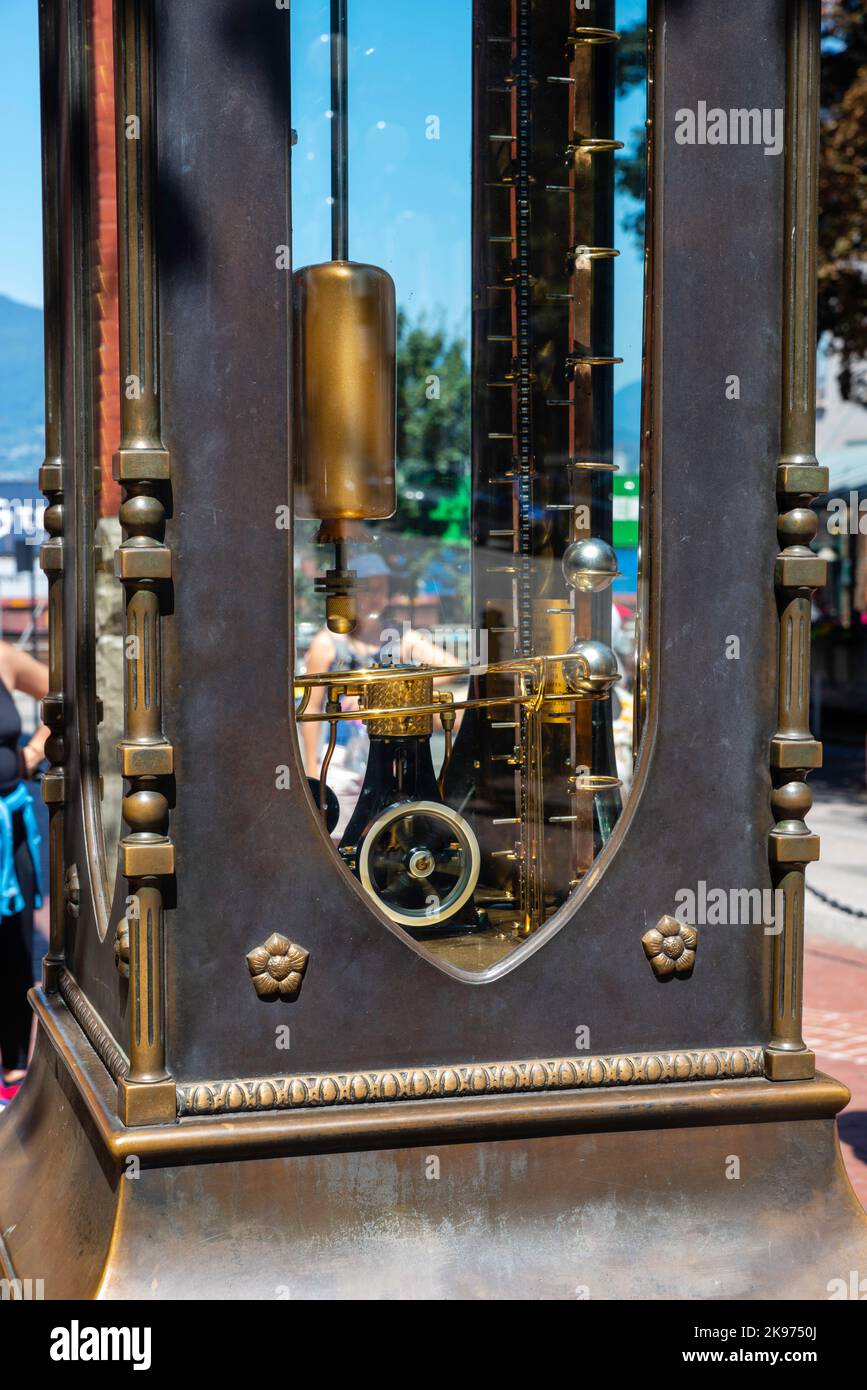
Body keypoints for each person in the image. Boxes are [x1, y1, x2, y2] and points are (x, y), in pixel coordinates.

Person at [0, 641, 49, 1104]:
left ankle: (15, 1073)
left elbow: (62, 695)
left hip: (8, 832)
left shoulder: (5, 657)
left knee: (15, 951)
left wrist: (33, 751)